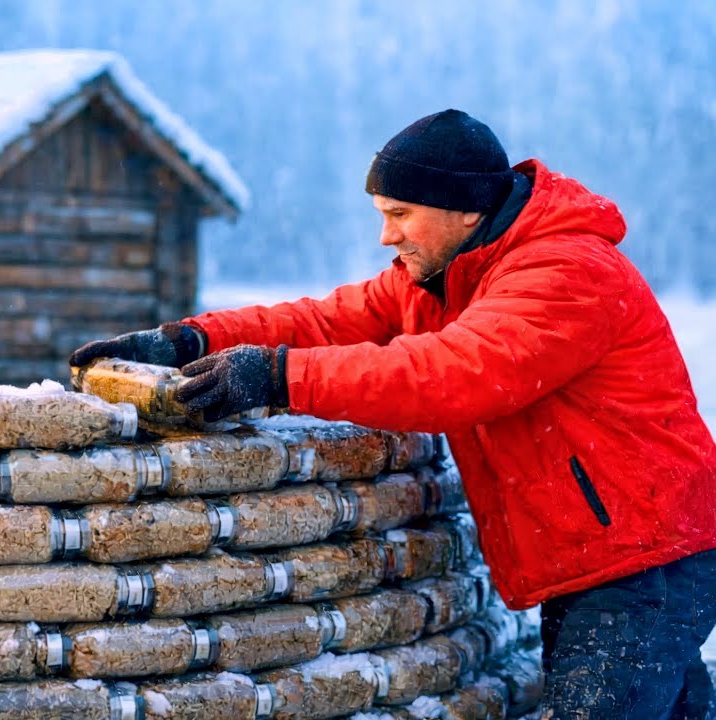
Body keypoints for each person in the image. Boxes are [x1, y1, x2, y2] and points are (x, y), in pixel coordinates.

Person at [69, 109, 716, 719]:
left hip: (649, 554)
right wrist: (190, 340)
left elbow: (454, 374)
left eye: (401, 213)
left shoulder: (567, 271)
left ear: (465, 209)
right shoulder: (446, 275)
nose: (387, 234)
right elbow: (325, 320)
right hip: (613, 545)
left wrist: (277, 376)